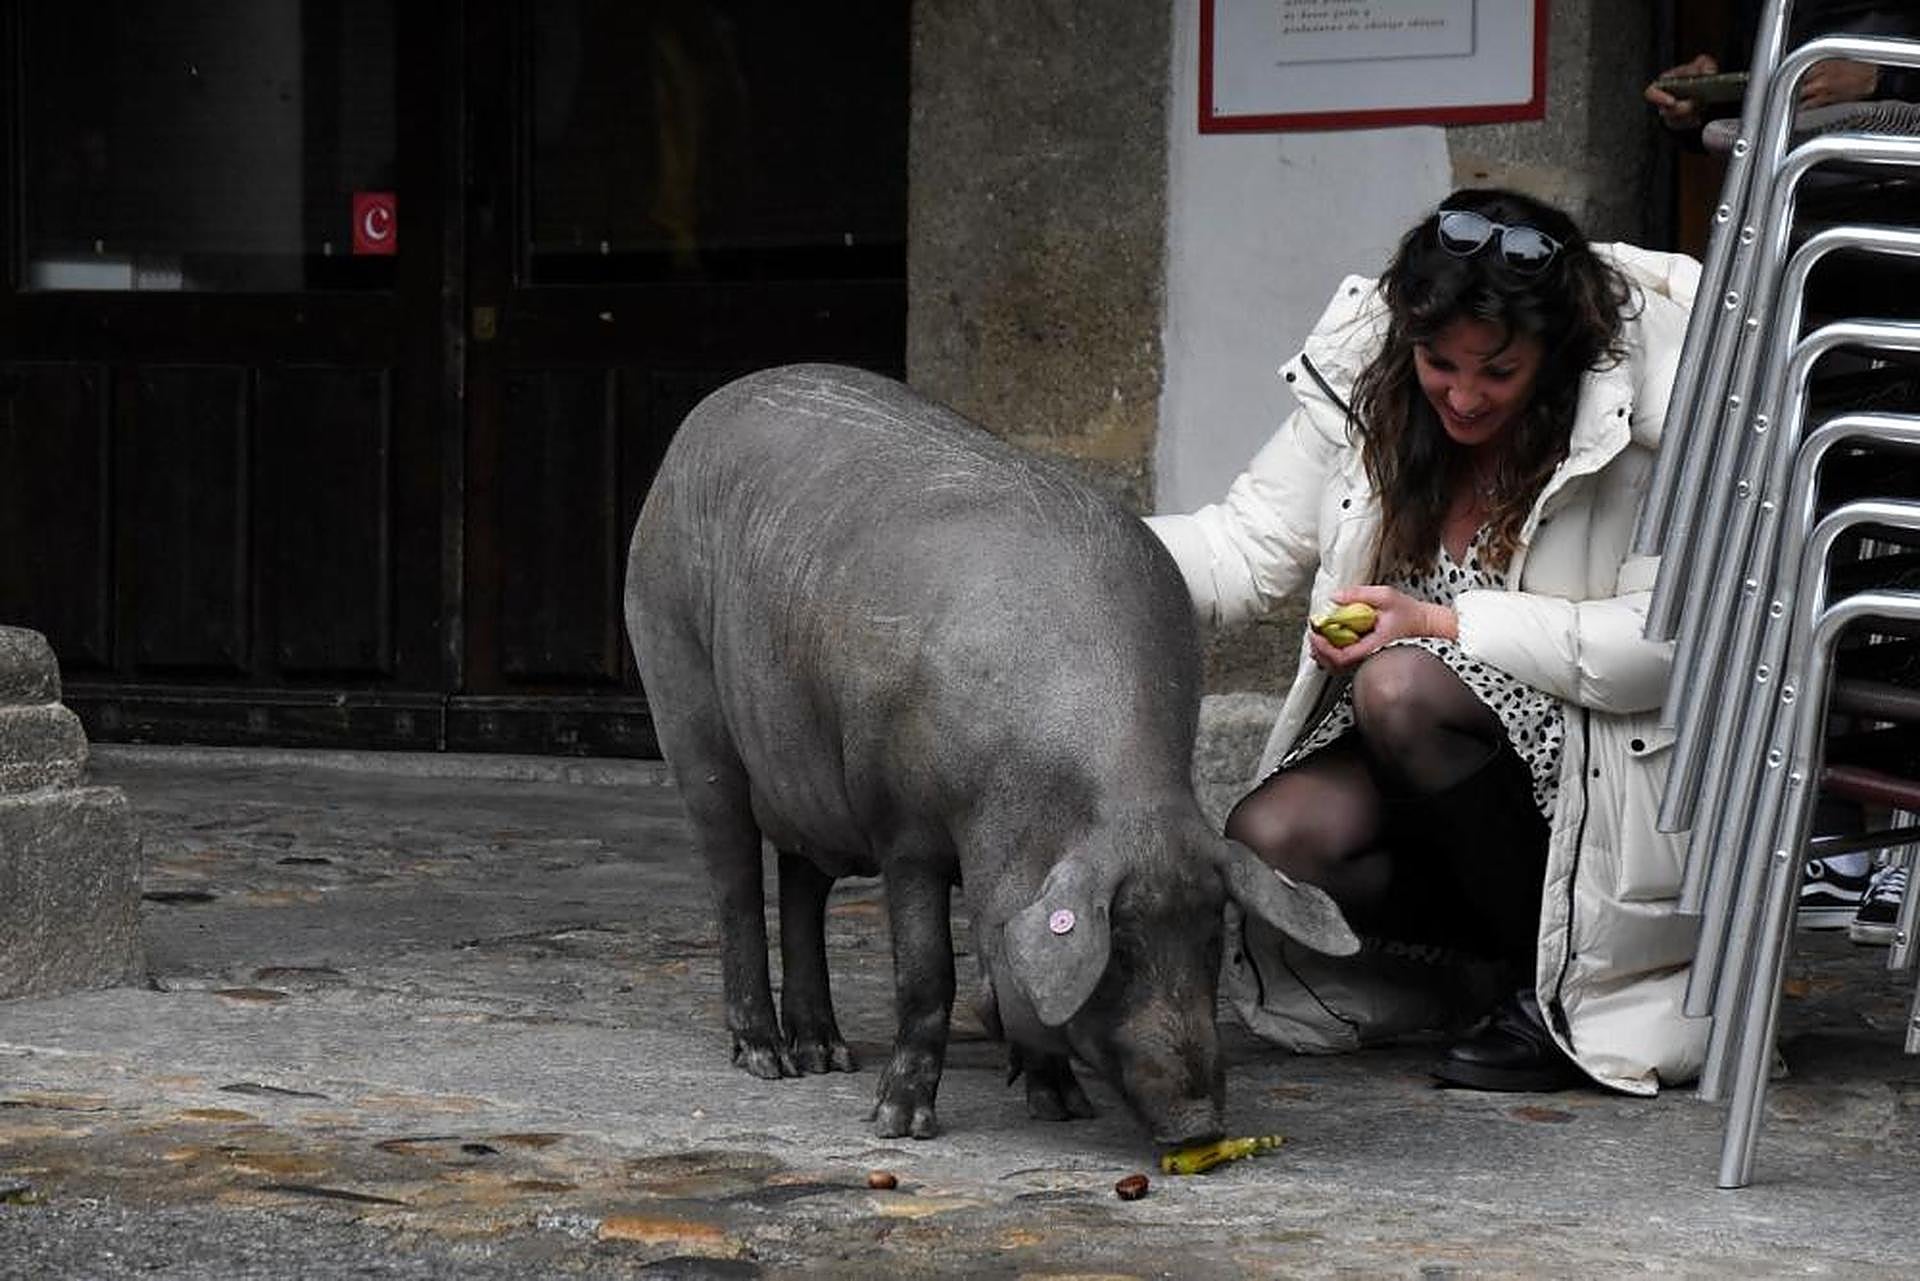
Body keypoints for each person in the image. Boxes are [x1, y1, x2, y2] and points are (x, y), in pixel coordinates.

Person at [1147, 188, 1707, 1095]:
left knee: (1401, 687)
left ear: (1556, 354)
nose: (1464, 395)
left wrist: (1443, 624)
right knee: (1271, 835)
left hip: (1601, 783)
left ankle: (1551, 991)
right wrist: (1078, 546)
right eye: (1439, 362)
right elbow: (1241, 548)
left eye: (1499, 370)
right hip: (1430, 774)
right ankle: (1469, 977)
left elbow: (1670, 644)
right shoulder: (1375, 385)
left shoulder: (1643, 415)